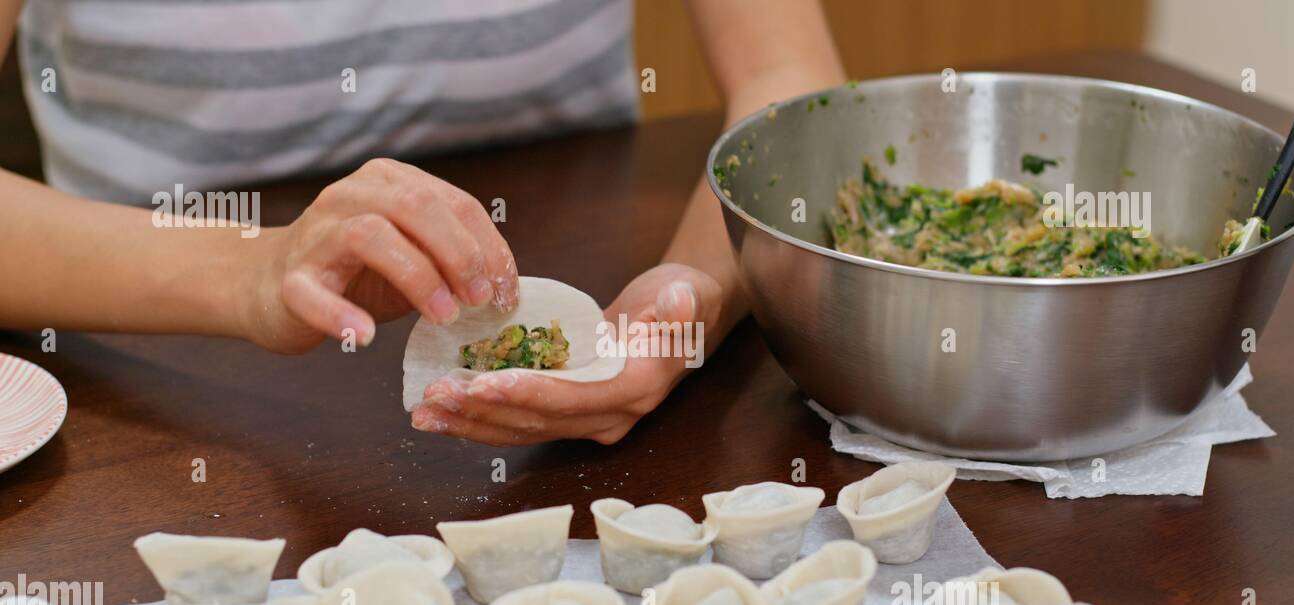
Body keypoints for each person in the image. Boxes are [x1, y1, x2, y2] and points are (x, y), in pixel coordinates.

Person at [0, 0, 844, 446]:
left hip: (597, 274)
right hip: (162, 370)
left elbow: (788, 91)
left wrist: (698, 287)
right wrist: (254, 272)